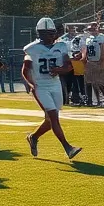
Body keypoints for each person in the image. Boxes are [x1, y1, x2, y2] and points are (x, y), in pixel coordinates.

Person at [22, 18, 82, 159]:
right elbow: (25, 70)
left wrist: (59, 70)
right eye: (47, 33)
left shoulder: (61, 46)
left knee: (50, 120)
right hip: (40, 86)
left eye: (52, 33)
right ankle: (68, 147)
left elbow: (69, 66)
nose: (50, 36)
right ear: (40, 34)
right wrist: (31, 84)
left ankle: (34, 137)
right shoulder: (31, 48)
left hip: (55, 84)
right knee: (54, 117)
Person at [82, 21, 104, 106]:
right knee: (91, 83)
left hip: (100, 61)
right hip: (91, 62)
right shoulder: (88, 38)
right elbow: (86, 51)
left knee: (101, 83)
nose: (92, 30)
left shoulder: (103, 38)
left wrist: (102, 63)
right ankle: (95, 100)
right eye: (91, 29)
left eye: (94, 28)